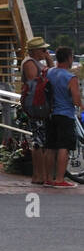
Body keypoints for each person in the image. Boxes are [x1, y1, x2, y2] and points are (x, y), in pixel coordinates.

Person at [45, 46, 82, 188]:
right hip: (65, 115)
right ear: (68, 58)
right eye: (72, 57)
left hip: (50, 114)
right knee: (64, 147)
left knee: (50, 147)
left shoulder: (49, 72)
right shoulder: (70, 77)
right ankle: (60, 179)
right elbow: (76, 100)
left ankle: (48, 178)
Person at [20, 37, 52, 184]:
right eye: (43, 50)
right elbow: (34, 81)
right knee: (38, 141)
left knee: (41, 140)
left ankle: (41, 175)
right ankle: (38, 175)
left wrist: (48, 59)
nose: (45, 52)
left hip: (40, 105)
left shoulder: (37, 62)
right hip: (35, 105)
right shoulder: (29, 63)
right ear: (35, 50)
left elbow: (52, 72)